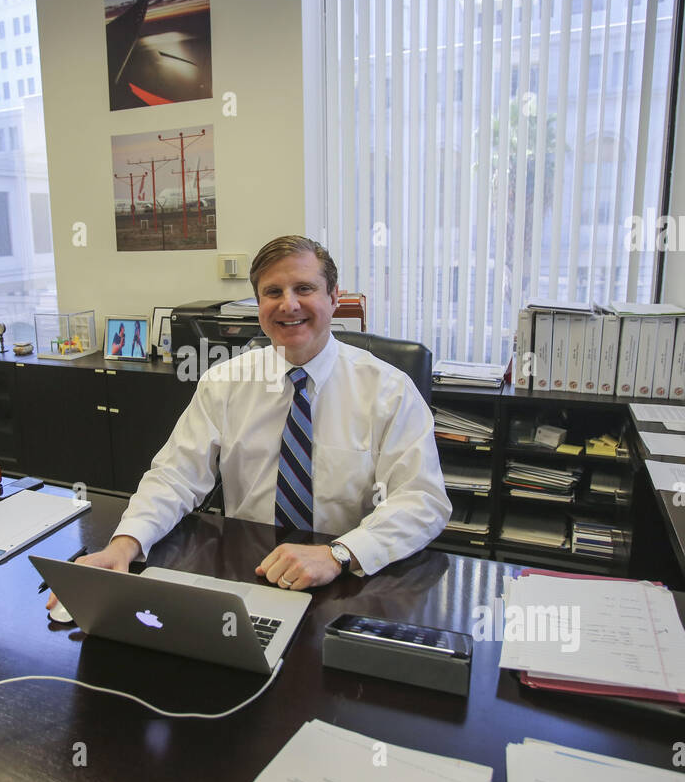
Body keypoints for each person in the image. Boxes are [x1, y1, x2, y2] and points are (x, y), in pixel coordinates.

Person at [51, 235, 450, 606]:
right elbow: (175, 477)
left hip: (350, 580)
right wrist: (123, 545)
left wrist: (339, 553)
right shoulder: (224, 383)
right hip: (250, 575)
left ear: (334, 299)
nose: (288, 304)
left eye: (304, 289)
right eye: (272, 292)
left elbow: (422, 501)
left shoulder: (390, 391)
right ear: (258, 305)